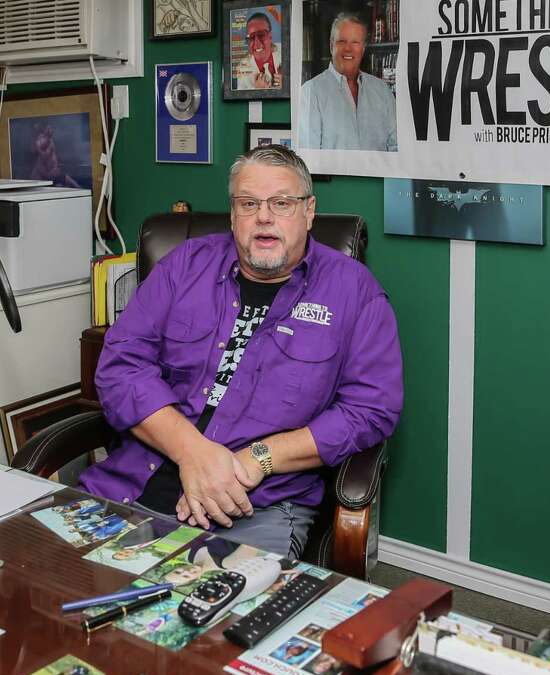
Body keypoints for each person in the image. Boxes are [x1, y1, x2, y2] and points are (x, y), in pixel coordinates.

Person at [79, 145, 402, 558]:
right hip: (138, 481)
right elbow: (120, 367)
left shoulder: (355, 291)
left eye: (282, 203)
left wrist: (257, 460)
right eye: (249, 203)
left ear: (309, 211)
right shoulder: (185, 266)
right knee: (55, 581)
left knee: (223, 618)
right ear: (233, 214)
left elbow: (370, 408)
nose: (264, 217)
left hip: (256, 505)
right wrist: (192, 453)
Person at [297, 13, 397, 152]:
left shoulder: (382, 90)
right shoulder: (311, 92)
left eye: (355, 42)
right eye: (342, 41)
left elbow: (395, 147)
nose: (348, 48)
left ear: (363, 48)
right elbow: (309, 157)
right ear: (332, 46)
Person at [235, 12, 282, 90]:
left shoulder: (285, 50)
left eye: (261, 35)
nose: (257, 44)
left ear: (270, 36)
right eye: (252, 37)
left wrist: (288, 84)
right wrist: (257, 91)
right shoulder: (242, 68)